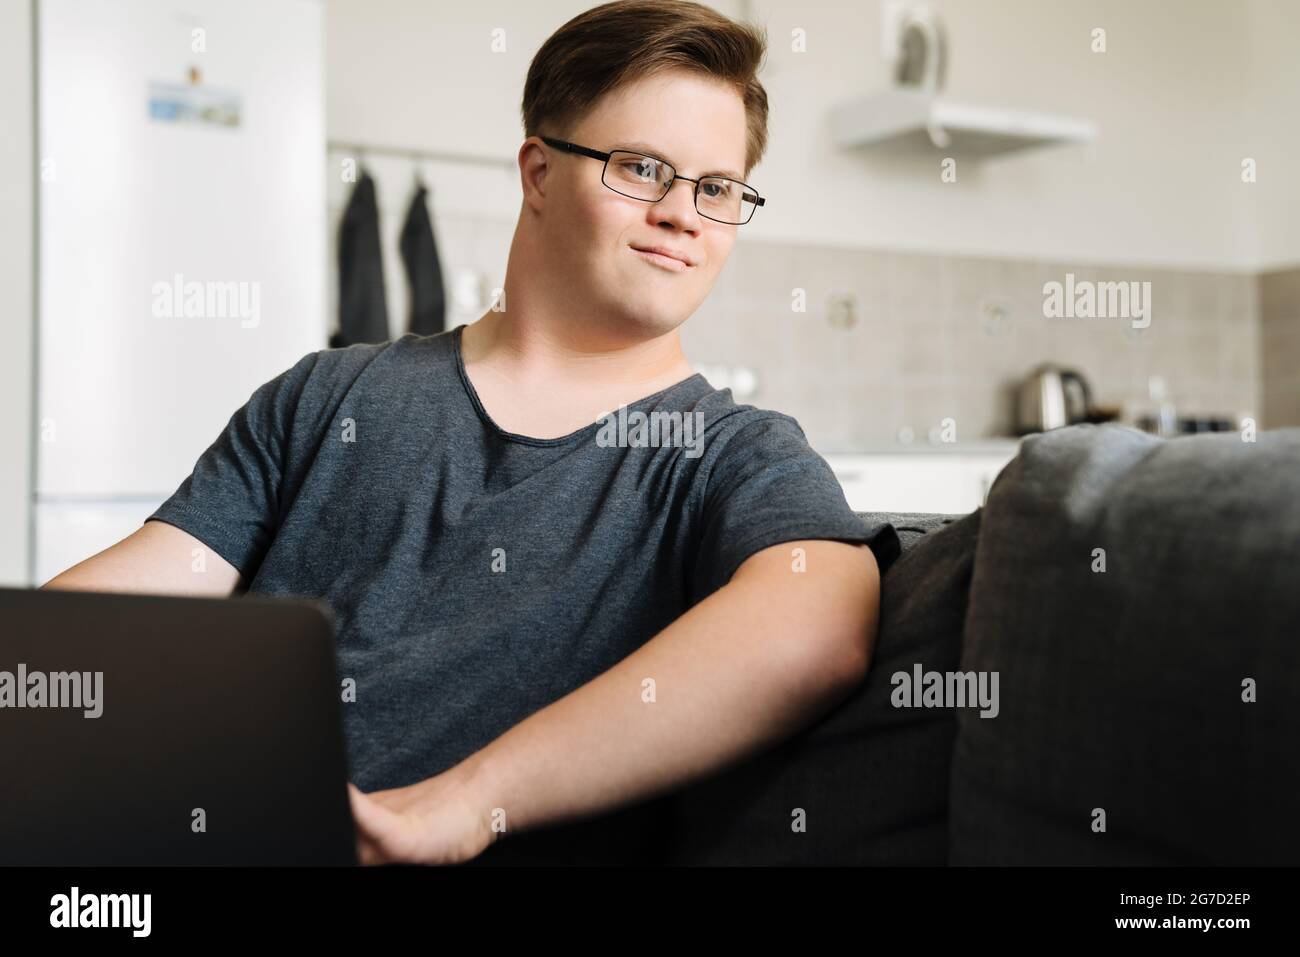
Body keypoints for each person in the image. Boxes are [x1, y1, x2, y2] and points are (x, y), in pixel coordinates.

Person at [42, 0, 899, 866]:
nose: (684, 214)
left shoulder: (734, 453)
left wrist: (468, 802)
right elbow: (98, 627)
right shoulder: (326, 392)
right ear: (537, 172)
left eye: (717, 189)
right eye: (642, 169)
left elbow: (818, 626)